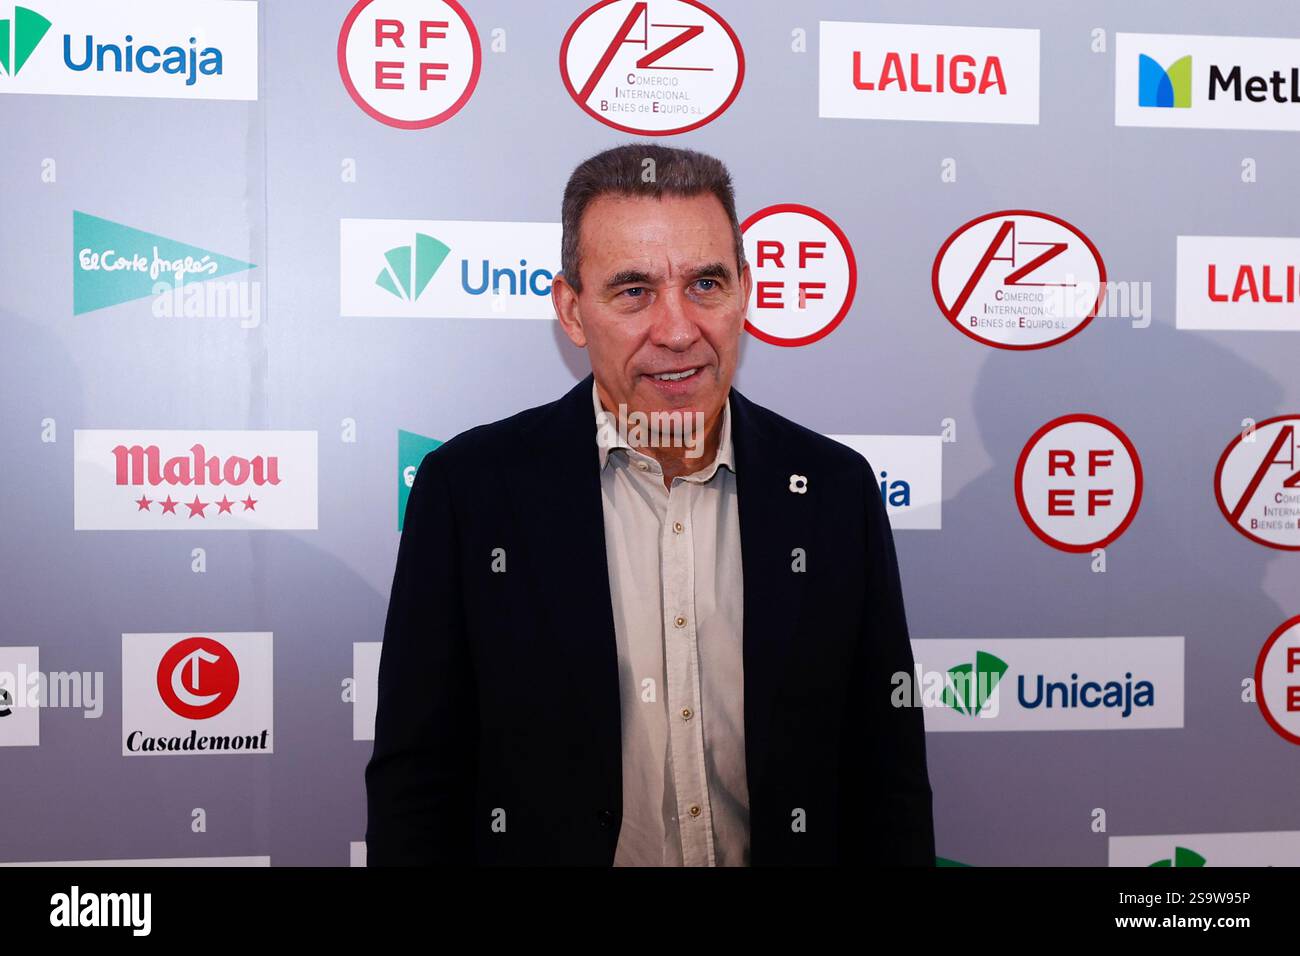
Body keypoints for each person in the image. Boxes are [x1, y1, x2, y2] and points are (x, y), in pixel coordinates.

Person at [365, 143, 935, 866]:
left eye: (706, 284)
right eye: (634, 291)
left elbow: (887, 777)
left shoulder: (834, 489)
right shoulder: (469, 492)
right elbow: (417, 784)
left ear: (745, 293)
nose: (677, 329)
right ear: (572, 310)